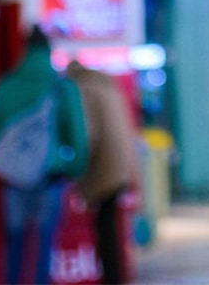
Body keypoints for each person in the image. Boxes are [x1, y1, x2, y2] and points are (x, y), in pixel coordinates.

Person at [0, 26, 90, 284]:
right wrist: (75, 168)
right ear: (49, 49)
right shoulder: (62, 87)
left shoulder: (5, 85)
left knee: (14, 245)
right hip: (50, 177)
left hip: (12, 181)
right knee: (44, 245)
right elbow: (77, 134)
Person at [66, 60, 138, 283]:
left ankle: (112, 276)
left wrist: (77, 164)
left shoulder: (83, 88)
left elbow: (89, 132)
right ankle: (115, 274)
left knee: (104, 226)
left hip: (105, 166)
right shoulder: (107, 85)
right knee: (110, 223)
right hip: (121, 164)